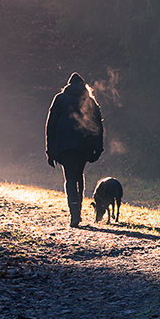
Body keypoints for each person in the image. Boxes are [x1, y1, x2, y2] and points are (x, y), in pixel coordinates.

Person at [45, 72, 104, 227]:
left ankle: (75, 214)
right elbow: (98, 125)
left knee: (70, 177)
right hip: (85, 145)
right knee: (78, 174)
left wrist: (50, 152)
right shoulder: (90, 101)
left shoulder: (60, 98)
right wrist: (98, 148)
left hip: (64, 145)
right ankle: (77, 212)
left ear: (68, 85)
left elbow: (50, 126)